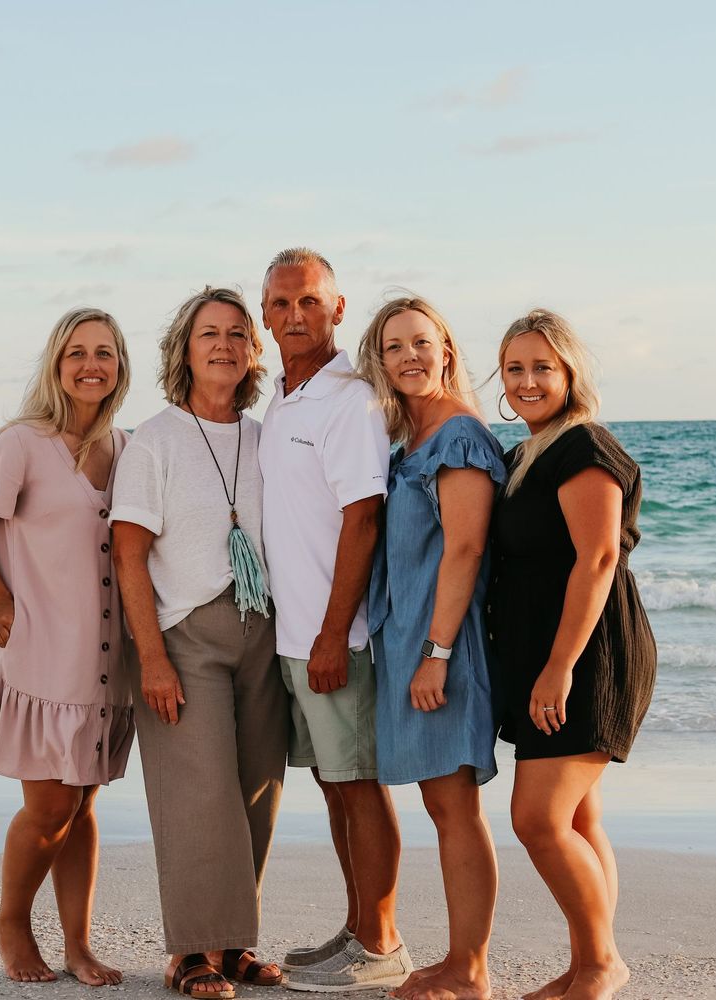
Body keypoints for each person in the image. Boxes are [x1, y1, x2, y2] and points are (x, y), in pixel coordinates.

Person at [111, 287, 290, 998]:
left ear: (252, 352)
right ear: (184, 349)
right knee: (197, 794)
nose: (224, 345)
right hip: (183, 634)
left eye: (237, 335)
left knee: (256, 789)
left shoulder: (264, 434)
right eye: (209, 333)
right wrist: (150, 656)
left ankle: (235, 945)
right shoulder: (154, 440)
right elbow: (128, 554)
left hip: (260, 627)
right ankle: (190, 953)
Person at [0, 307, 134, 985]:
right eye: (77, 353)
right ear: (56, 365)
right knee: (50, 805)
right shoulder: (21, 442)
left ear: (121, 366)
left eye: (105, 353)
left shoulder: (128, 447)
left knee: (84, 801)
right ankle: (11, 921)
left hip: (107, 653)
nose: (91, 365)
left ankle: (79, 944)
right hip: (37, 645)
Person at [487, 309, 657, 1000]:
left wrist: (558, 667)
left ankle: (600, 964)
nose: (528, 381)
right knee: (580, 818)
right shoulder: (528, 450)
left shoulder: (585, 447)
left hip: (588, 656)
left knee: (537, 819)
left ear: (570, 373)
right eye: (515, 368)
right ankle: (593, 960)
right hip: (552, 654)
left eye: (542, 367)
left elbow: (598, 559)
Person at [257, 248, 413, 992]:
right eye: (281, 304)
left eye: (309, 302)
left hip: (336, 636)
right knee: (332, 781)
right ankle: (359, 930)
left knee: (359, 784)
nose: (295, 316)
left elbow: (363, 517)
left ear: (338, 310)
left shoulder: (348, 398)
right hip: (292, 636)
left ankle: (381, 946)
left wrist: (330, 633)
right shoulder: (283, 399)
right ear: (265, 314)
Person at [356, 296, 503, 1000]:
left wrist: (437, 654)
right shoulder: (405, 442)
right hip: (408, 643)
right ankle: (458, 958)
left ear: (446, 349)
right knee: (440, 806)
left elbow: (466, 547)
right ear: (379, 361)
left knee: (454, 809)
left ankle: (469, 968)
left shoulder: (460, 435)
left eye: (422, 342)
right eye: (394, 347)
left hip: (441, 649)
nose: (410, 356)